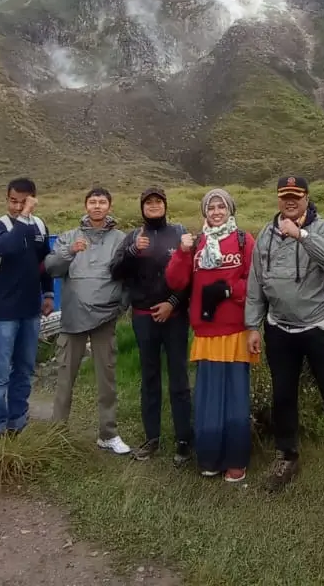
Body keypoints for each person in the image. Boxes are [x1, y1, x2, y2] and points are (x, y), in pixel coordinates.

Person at [245, 175, 324, 504]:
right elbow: (256, 283)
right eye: (285, 195)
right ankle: (287, 457)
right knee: (283, 396)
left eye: (296, 196)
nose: (290, 201)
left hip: (319, 328)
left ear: (307, 198)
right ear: (278, 198)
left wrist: (301, 235)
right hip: (278, 329)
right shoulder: (265, 235)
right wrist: (252, 325)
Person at [165, 189, 256, 482]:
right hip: (206, 333)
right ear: (205, 212)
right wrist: (182, 253)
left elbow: (256, 281)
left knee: (236, 398)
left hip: (236, 331)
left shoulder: (243, 240)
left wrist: (230, 291)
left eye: (221, 207)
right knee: (209, 399)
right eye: (211, 207)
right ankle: (209, 457)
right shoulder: (196, 243)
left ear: (230, 210)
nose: (216, 212)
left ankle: (236, 460)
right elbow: (176, 281)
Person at [44, 187, 131, 455]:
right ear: (85, 206)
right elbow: (51, 268)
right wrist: (70, 252)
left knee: (107, 379)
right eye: (92, 202)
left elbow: (129, 276)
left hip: (106, 318)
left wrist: (120, 307)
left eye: (102, 202)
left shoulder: (121, 239)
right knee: (64, 379)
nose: (97, 206)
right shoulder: (69, 237)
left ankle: (108, 434)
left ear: (109, 206)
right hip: (73, 318)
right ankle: (57, 435)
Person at [110, 186, 193, 464]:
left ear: (165, 205)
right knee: (150, 378)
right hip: (143, 317)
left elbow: (190, 275)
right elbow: (115, 271)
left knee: (179, 378)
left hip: (175, 316)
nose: (154, 205)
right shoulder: (133, 237)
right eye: (149, 202)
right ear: (142, 207)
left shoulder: (179, 233)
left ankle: (184, 440)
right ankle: (152, 438)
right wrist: (133, 251)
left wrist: (172, 303)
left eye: (158, 201)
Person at [0, 178, 55, 442]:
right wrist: (24, 217)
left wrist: (48, 293)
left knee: (24, 369)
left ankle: (17, 422)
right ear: (7, 200)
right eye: (13, 201)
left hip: (30, 309)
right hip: (2, 310)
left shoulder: (40, 226)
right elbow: (8, 248)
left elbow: (44, 262)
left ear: (33, 200)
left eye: (24, 202)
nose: (18, 207)